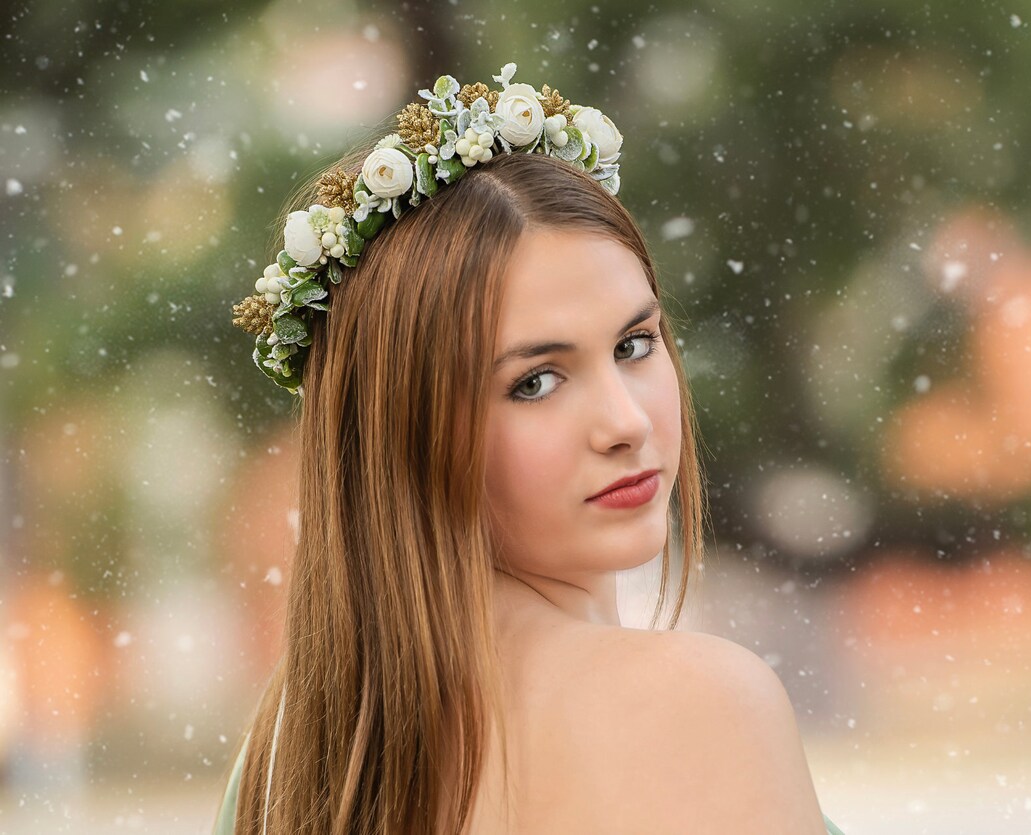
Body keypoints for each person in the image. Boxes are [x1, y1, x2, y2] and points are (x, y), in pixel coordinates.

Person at [219, 62, 846, 834]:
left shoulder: (299, 748)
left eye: (634, 345)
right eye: (535, 383)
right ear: (407, 427)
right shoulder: (696, 700)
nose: (624, 421)